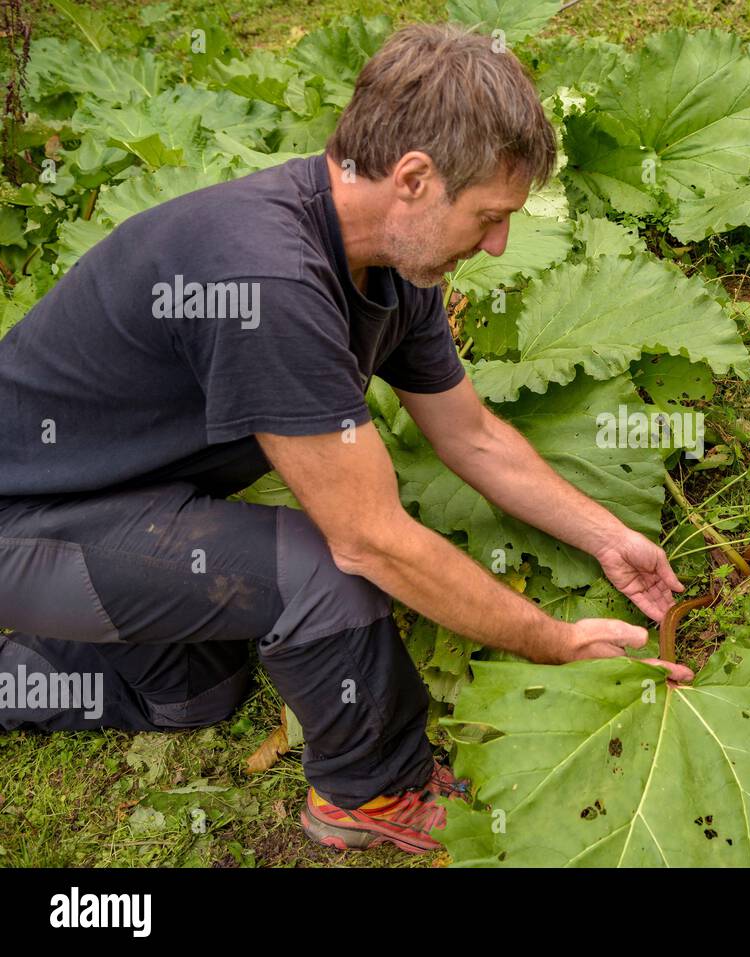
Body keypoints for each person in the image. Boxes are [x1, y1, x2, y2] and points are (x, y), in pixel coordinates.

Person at [0, 21, 692, 856]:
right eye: (490, 216)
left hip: (113, 503)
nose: (501, 241)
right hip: (25, 525)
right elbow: (371, 542)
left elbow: (470, 434)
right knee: (326, 572)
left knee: (197, 691)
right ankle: (372, 793)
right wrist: (556, 642)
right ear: (414, 178)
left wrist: (608, 535)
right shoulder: (267, 279)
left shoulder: (390, 264)